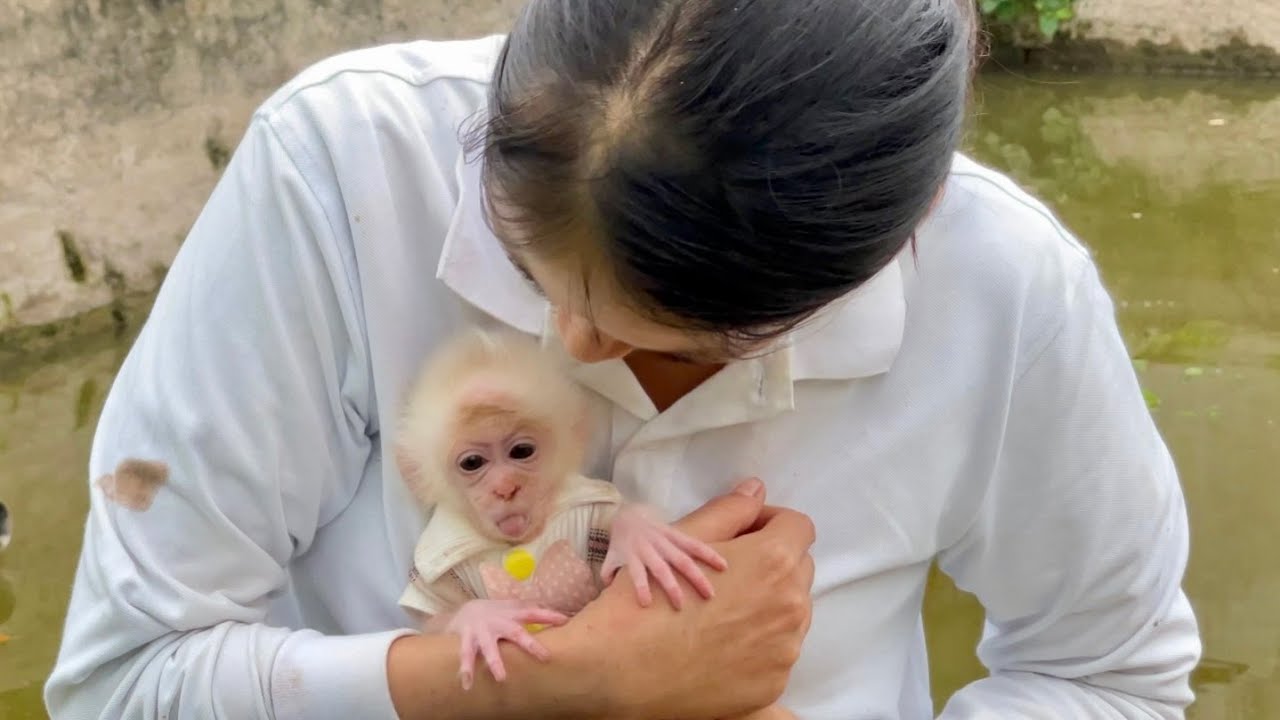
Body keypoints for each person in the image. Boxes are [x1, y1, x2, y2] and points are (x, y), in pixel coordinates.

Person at [45, 0, 1202, 718]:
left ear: (899, 238)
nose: (573, 348)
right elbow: (123, 679)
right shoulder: (343, 172)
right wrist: (569, 684)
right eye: (523, 256)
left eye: (684, 327)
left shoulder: (1001, 287)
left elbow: (1106, 676)